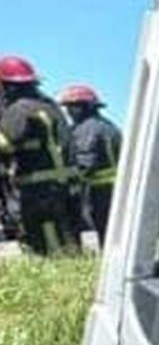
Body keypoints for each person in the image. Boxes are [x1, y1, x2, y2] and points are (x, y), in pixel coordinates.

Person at [0, 56, 80, 255]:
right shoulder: (49, 106)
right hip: (62, 185)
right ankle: (71, 266)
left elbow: (5, 143)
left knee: (46, 243)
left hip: (39, 189)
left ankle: (59, 271)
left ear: (8, 86)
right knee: (66, 237)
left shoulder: (19, 109)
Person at [59, 84, 121, 245]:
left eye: (72, 107)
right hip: (115, 188)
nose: (69, 112)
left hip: (99, 189)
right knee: (111, 230)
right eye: (67, 107)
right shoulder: (109, 126)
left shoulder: (86, 129)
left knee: (103, 227)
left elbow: (84, 164)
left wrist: (62, 181)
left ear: (86, 107)